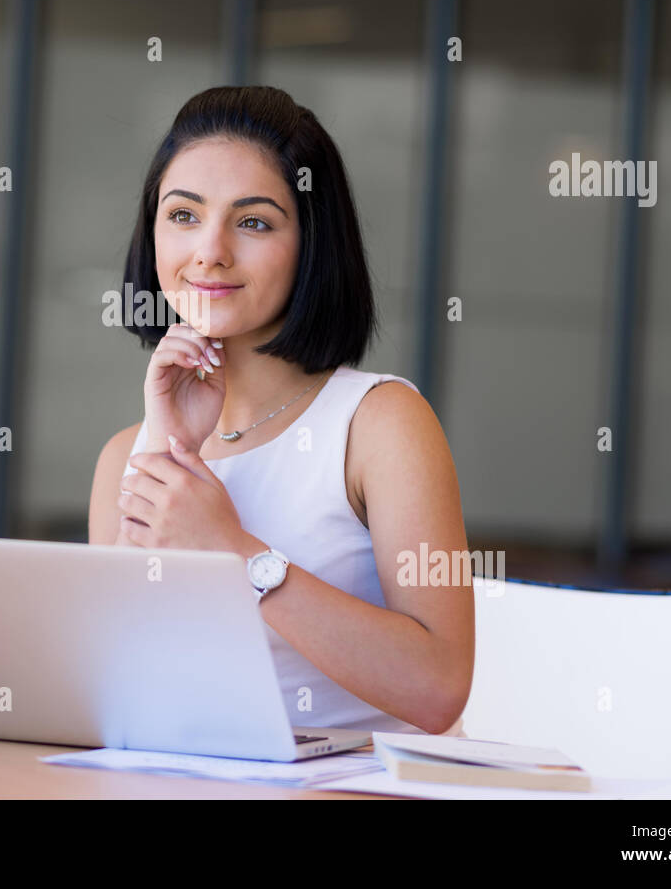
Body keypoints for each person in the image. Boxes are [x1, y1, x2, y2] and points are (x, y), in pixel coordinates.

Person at [88, 86, 472, 736]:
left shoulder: (382, 425)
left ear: (312, 245)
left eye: (254, 222)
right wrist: (169, 449)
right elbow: (114, 678)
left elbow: (439, 690)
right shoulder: (125, 457)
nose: (210, 250)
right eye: (183, 215)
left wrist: (235, 551)